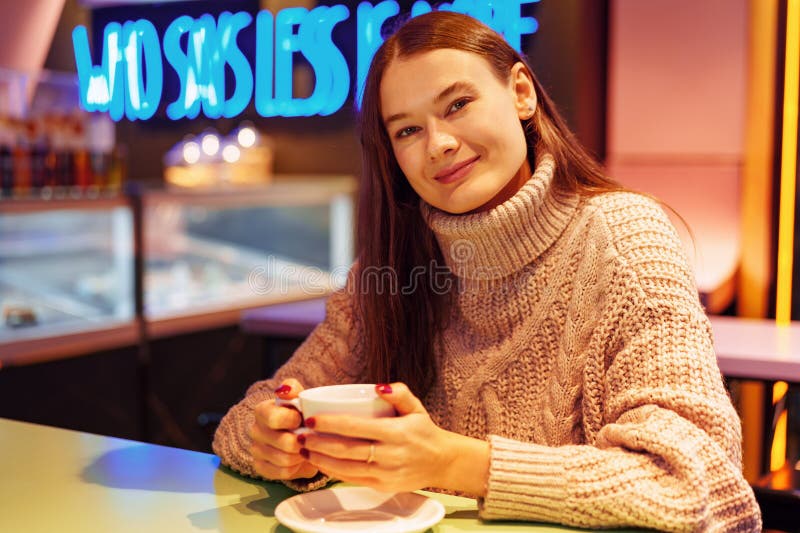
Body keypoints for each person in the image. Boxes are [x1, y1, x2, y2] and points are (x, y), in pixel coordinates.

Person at [214, 11, 761, 531]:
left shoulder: (622, 237)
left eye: (457, 105)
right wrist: (275, 445)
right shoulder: (392, 263)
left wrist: (452, 463)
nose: (440, 144)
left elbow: (698, 482)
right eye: (407, 131)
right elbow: (248, 417)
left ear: (521, 93)